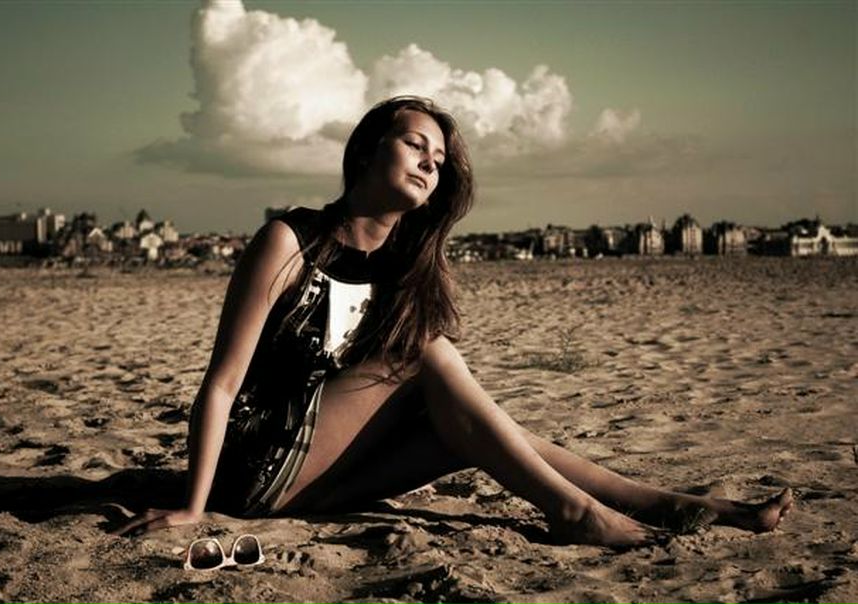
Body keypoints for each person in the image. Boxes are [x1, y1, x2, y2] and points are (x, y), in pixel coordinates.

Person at [116, 96, 793, 547]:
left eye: (438, 162)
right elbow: (222, 384)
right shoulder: (289, 241)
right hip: (253, 467)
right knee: (427, 354)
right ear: (365, 151)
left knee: (482, 435)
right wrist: (196, 507)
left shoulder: (406, 268)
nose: (428, 164)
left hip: (316, 481)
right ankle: (575, 513)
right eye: (415, 146)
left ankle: (674, 505)